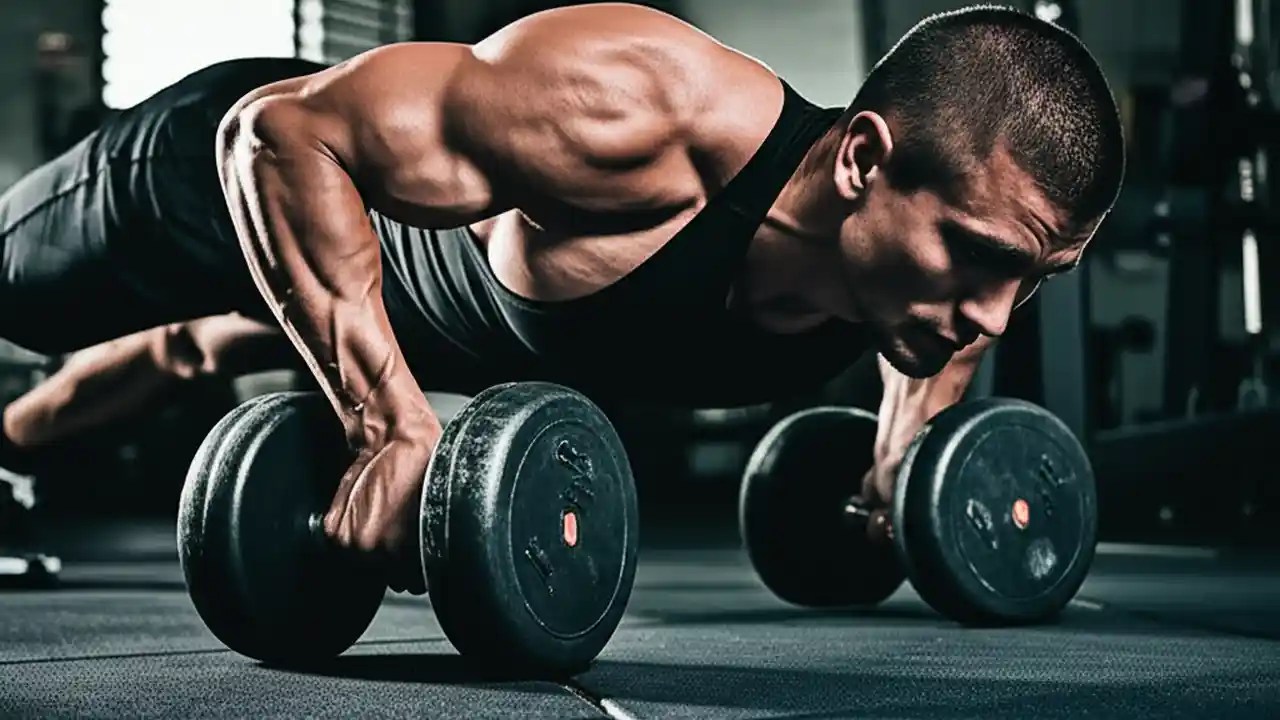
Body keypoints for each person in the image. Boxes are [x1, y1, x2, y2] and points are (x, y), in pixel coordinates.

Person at [0, 3, 1124, 593]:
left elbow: (942, 351)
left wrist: (892, 469)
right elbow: (280, 135)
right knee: (23, 304)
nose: (991, 315)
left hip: (394, 306)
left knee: (191, 357)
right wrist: (388, 424)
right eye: (981, 259)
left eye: (1034, 279)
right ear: (860, 164)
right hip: (224, 180)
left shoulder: (934, 303)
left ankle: (9, 444)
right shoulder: (646, 110)